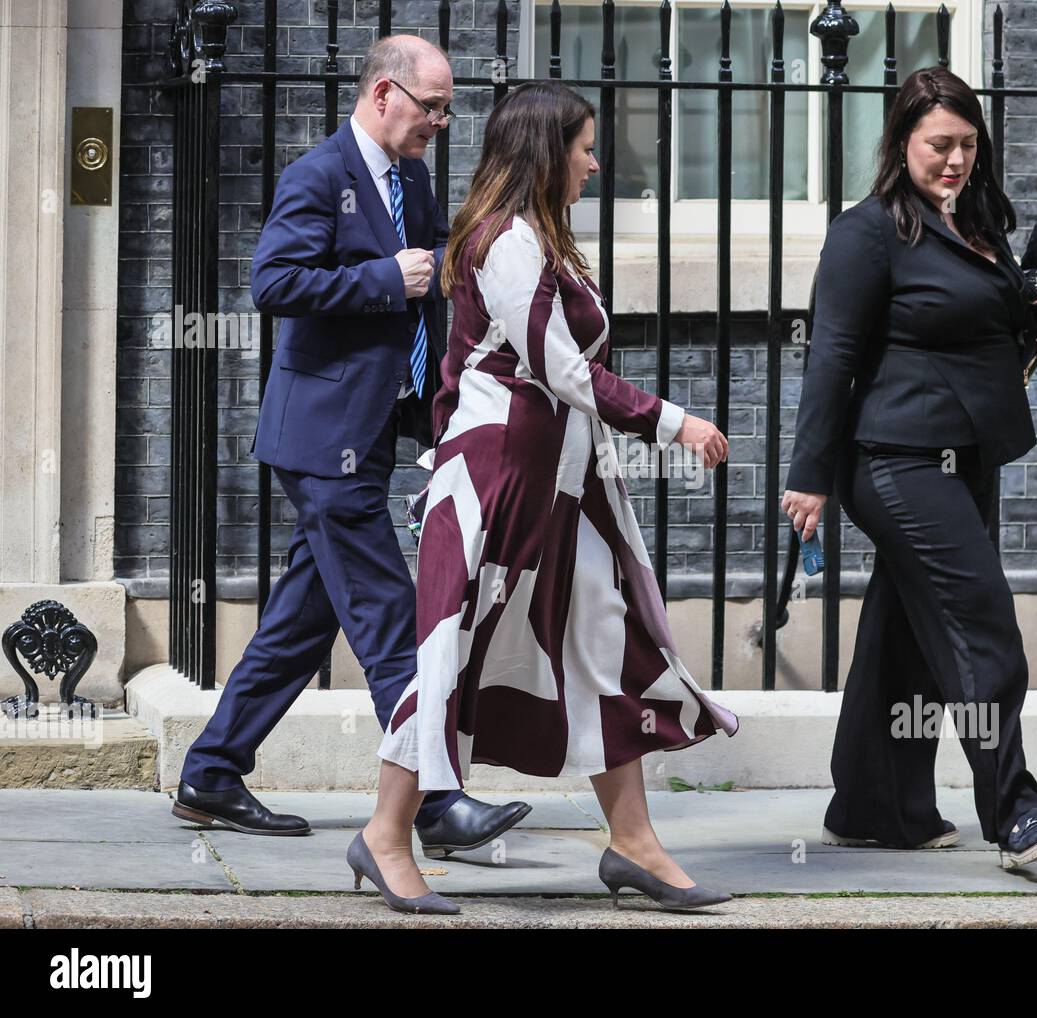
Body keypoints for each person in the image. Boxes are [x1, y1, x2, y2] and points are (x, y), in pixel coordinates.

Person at [345, 82, 740, 915]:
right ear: (545, 151)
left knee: (605, 641)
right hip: (499, 482)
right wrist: (675, 423)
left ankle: (633, 842)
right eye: (585, 147)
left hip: (557, 482)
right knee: (450, 652)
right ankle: (385, 835)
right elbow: (558, 367)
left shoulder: (536, 238)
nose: (595, 163)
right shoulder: (506, 241)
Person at [173, 35, 531, 859]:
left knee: (303, 620)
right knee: (384, 610)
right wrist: (383, 279)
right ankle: (434, 800)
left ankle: (211, 773)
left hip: (375, 429)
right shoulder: (317, 175)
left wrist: (439, 404)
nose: (441, 121)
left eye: (447, 108)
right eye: (430, 106)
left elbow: (433, 280)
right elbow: (274, 283)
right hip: (320, 438)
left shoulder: (411, 176)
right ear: (382, 94)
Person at [782, 67, 1037, 872]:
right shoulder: (867, 232)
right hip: (895, 463)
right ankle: (1015, 812)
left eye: (967, 145)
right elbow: (833, 356)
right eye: (939, 145)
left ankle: (875, 806)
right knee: (982, 624)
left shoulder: (976, 223)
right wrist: (808, 475)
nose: (955, 160)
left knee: (905, 638)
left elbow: (1007, 324)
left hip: (967, 459)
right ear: (903, 142)